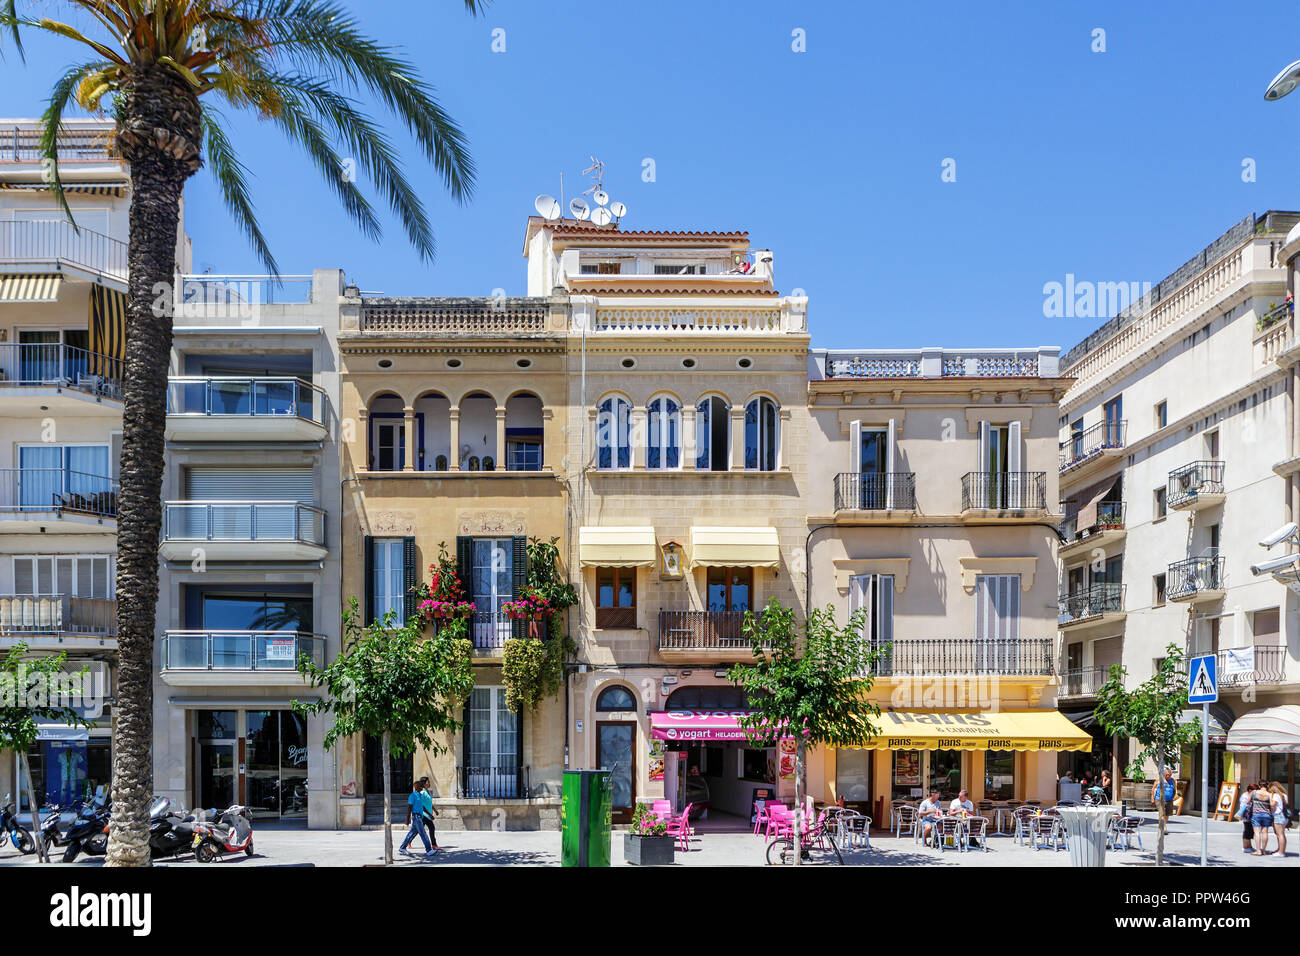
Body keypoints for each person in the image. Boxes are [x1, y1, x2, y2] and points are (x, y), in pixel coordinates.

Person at [399, 776, 434, 856]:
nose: (422, 787)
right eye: (420, 786)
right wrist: (407, 819)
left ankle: (402, 847)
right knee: (423, 833)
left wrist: (429, 814)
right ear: (416, 787)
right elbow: (409, 808)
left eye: (422, 786)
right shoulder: (412, 796)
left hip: (420, 816)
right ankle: (428, 850)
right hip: (416, 816)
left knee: (411, 833)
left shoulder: (420, 795)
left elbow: (422, 807)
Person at [1248, 781, 1274, 856]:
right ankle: (1264, 850)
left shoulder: (1254, 792)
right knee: (1265, 832)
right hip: (1267, 815)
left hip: (1256, 814)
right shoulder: (1269, 794)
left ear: (1259, 786)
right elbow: (1272, 805)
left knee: (1257, 833)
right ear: (1267, 786)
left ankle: (1258, 850)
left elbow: (1248, 801)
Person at [1269, 781, 1290, 857]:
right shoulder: (1284, 795)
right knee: (1280, 834)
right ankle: (1280, 849)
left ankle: (1281, 852)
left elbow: (1272, 805)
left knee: (1280, 834)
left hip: (1279, 815)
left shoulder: (1276, 796)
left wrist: (1271, 797)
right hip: (1284, 816)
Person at [1235, 784, 1257, 854]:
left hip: (1250, 815)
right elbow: (1245, 805)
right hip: (1247, 815)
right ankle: (1245, 846)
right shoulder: (1245, 796)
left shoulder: (1250, 795)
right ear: (1250, 790)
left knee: (1250, 830)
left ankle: (1249, 846)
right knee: (1247, 830)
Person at [421, 779, 440, 853]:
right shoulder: (422, 793)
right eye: (428, 782)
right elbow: (422, 806)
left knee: (417, 830)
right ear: (424, 784)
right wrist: (429, 814)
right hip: (424, 814)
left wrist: (435, 811)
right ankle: (434, 845)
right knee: (432, 828)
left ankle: (408, 842)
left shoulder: (428, 792)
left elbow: (430, 803)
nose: (429, 783)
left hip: (428, 814)